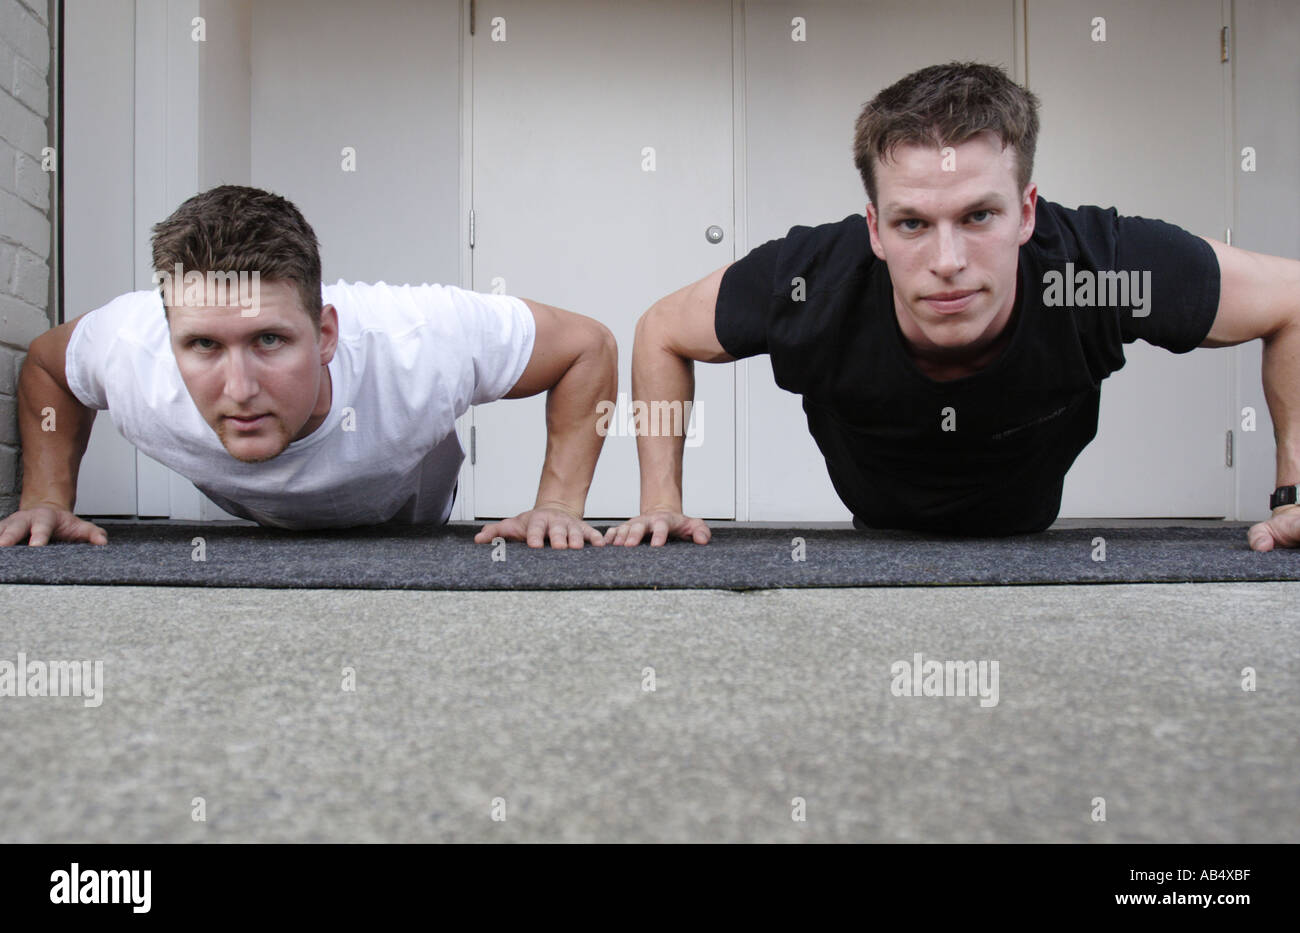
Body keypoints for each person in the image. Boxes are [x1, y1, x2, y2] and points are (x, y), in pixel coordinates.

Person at [605, 61, 1300, 552]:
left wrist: (1292, 495)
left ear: (1027, 212)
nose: (947, 260)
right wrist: (661, 502)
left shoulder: (1098, 266)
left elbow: (1290, 301)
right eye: (912, 223)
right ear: (874, 227)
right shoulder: (813, 279)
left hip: (1028, 529)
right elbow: (660, 330)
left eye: (978, 216)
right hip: (879, 527)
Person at [1, 185, 615, 549]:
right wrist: (47, 496)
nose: (239, 390)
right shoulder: (126, 346)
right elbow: (47, 370)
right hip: (257, 523)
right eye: (204, 347)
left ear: (325, 334)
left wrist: (559, 506)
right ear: (168, 338)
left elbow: (587, 345)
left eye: (270, 340)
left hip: (402, 519)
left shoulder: (421, 339)